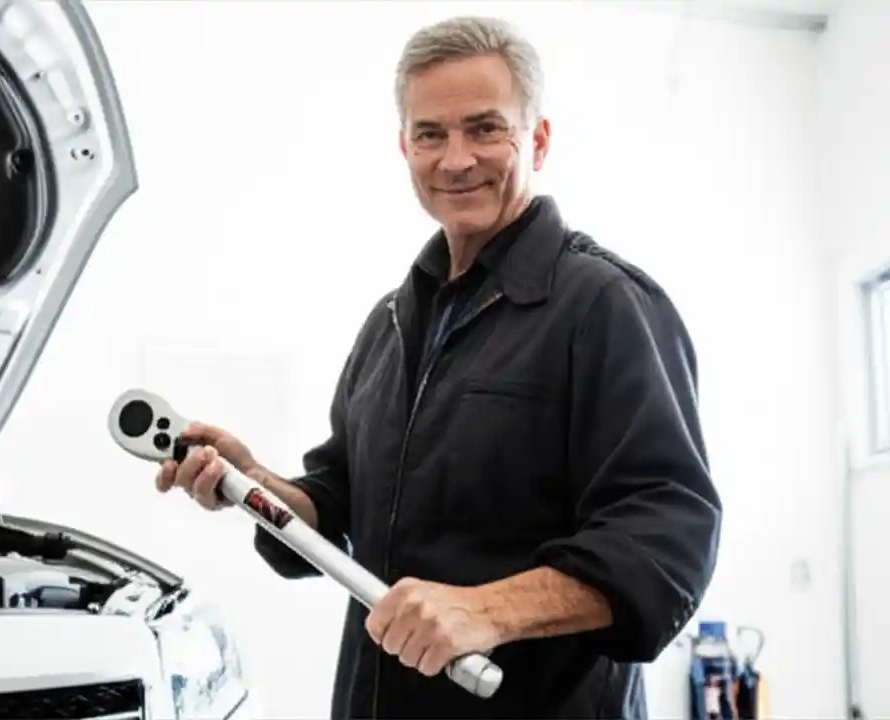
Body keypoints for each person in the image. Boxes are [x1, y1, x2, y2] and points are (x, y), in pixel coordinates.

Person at [155, 14, 722, 720]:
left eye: (485, 128)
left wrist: (487, 611)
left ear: (537, 140)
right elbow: (339, 507)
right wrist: (253, 484)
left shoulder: (604, 305)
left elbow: (666, 542)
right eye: (431, 134)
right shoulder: (390, 324)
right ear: (405, 147)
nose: (456, 159)